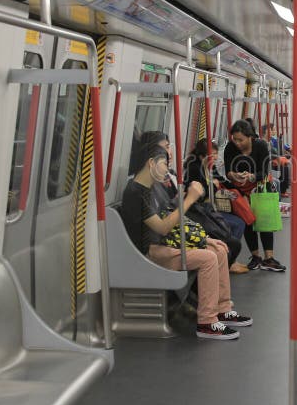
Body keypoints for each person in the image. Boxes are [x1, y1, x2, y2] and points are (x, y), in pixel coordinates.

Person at [121, 139, 252, 339]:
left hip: (167, 244)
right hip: (152, 251)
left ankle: (222, 308)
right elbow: (164, 228)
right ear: (151, 163)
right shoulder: (136, 193)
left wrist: (204, 239)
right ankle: (207, 322)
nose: (167, 168)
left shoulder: (153, 188)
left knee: (218, 249)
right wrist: (189, 199)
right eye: (164, 163)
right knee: (208, 258)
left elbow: (174, 221)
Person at [224, 119, 286, 272]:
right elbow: (228, 171)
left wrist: (251, 176)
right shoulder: (230, 148)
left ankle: (269, 258)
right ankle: (256, 256)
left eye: (241, 140)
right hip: (241, 190)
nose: (237, 143)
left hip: (260, 186)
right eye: (235, 139)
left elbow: (265, 171)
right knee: (248, 221)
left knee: (264, 221)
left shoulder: (260, 146)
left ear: (249, 137)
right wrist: (235, 176)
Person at [184, 139, 249, 274]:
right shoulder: (194, 169)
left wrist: (241, 190)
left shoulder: (209, 165)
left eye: (215, 154)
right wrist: (213, 185)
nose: (214, 157)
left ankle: (230, 259)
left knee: (239, 221)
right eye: (211, 154)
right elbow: (199, 194)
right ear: (202, 155)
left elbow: (221, 180)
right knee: (236, 224)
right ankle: (229, 261)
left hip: (208, 208)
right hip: (197, 211)